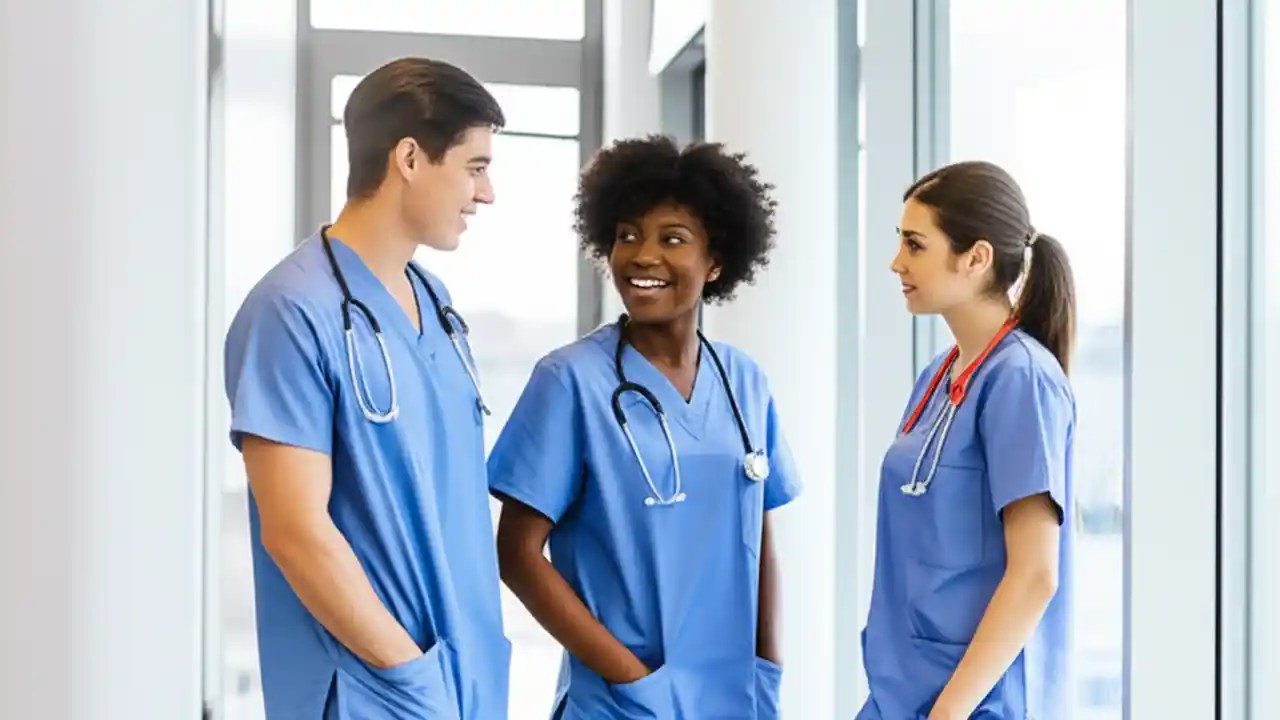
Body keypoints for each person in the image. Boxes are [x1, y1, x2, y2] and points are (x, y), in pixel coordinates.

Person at [223, 57, 510, 719]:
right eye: (474, 167)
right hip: (375, 692)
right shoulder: (291, 312)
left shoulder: (436, 305)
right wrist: (410, 679)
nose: (487, 193)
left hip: (461, 679)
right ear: (409, 158)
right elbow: (294, 531)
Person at [488, 135, 801, 719]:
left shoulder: (744, 382)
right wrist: (634, 681)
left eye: (672, 239)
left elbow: (760, 541)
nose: (642, 256)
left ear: (715, 261)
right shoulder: (570, 381)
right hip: (622, 703)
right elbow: (517, 554)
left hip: (732, 700)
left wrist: (767, 670)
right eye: (627, 235)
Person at [858, 160, 1077, 719]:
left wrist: (949, 712)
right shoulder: (939, 375)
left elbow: (1035, 573)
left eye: (915, 245)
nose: (897, 262)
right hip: (904, 691)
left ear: (976, 258)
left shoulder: (1021, 379)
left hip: (976, 703)